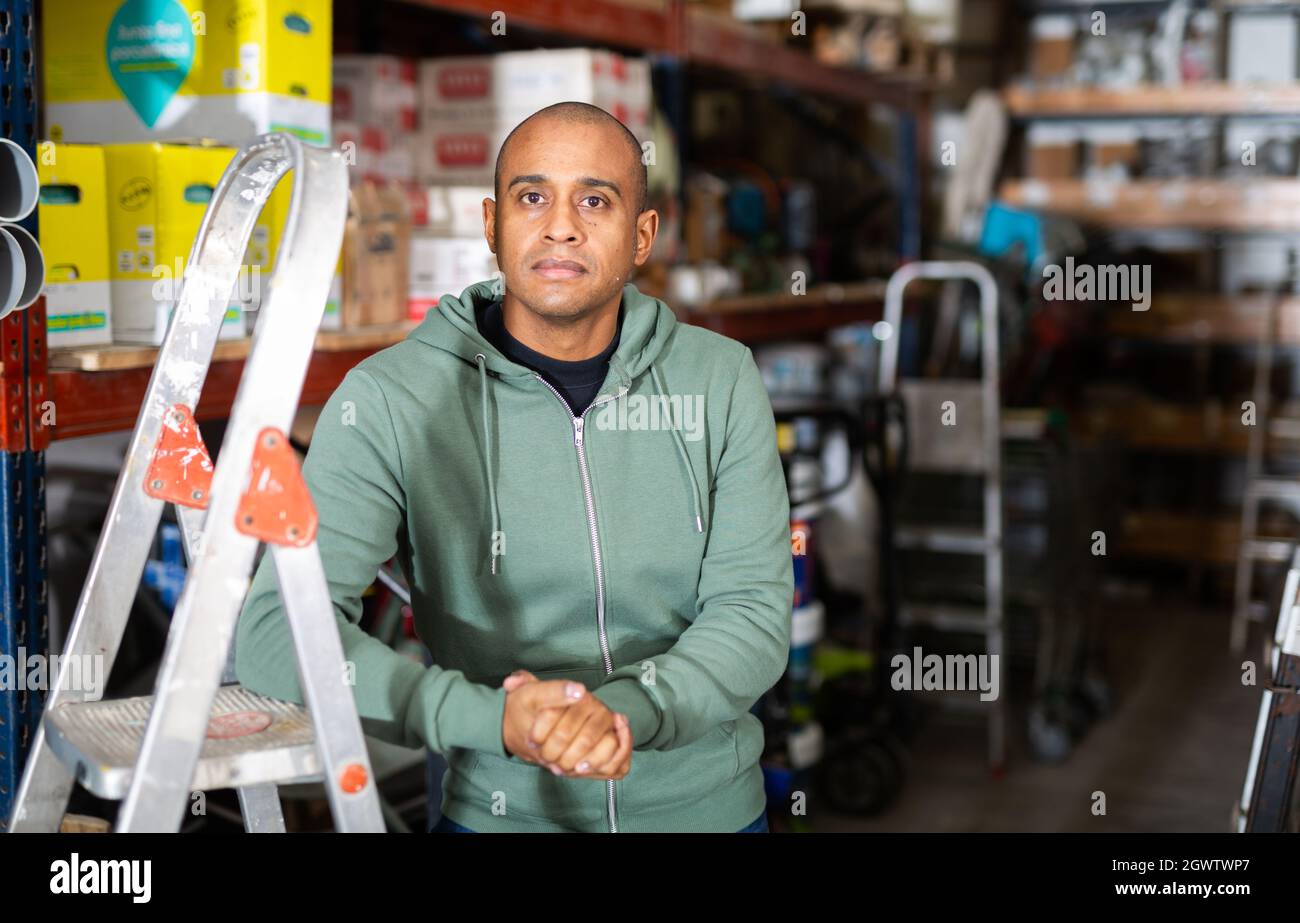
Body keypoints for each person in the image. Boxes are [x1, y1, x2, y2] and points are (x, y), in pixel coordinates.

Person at [236, 101, 793, 832]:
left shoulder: (719, 378)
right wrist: (493, 719)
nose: (561, 225)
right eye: (533, 197)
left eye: (595, 200)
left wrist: (622, 711)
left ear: (642, 237)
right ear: (492, 224)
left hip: (710, 813)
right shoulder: (388, 399)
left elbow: (752, 609)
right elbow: (276, 635)